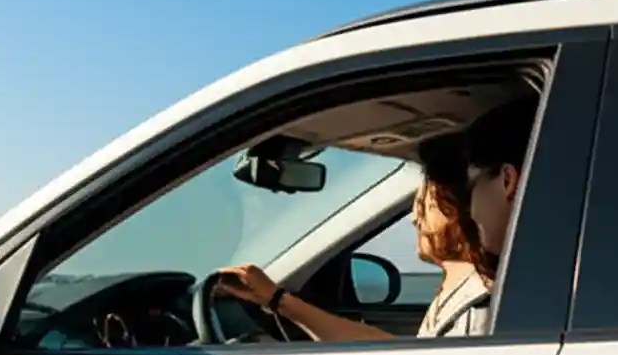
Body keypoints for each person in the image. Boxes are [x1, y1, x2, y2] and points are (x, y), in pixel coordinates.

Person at [217, 96, 538, 340]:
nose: (414, 216)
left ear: (507, 181)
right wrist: (278, 300)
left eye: (426, 203)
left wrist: (278, 300)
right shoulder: (499, 288)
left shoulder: (487, 302)